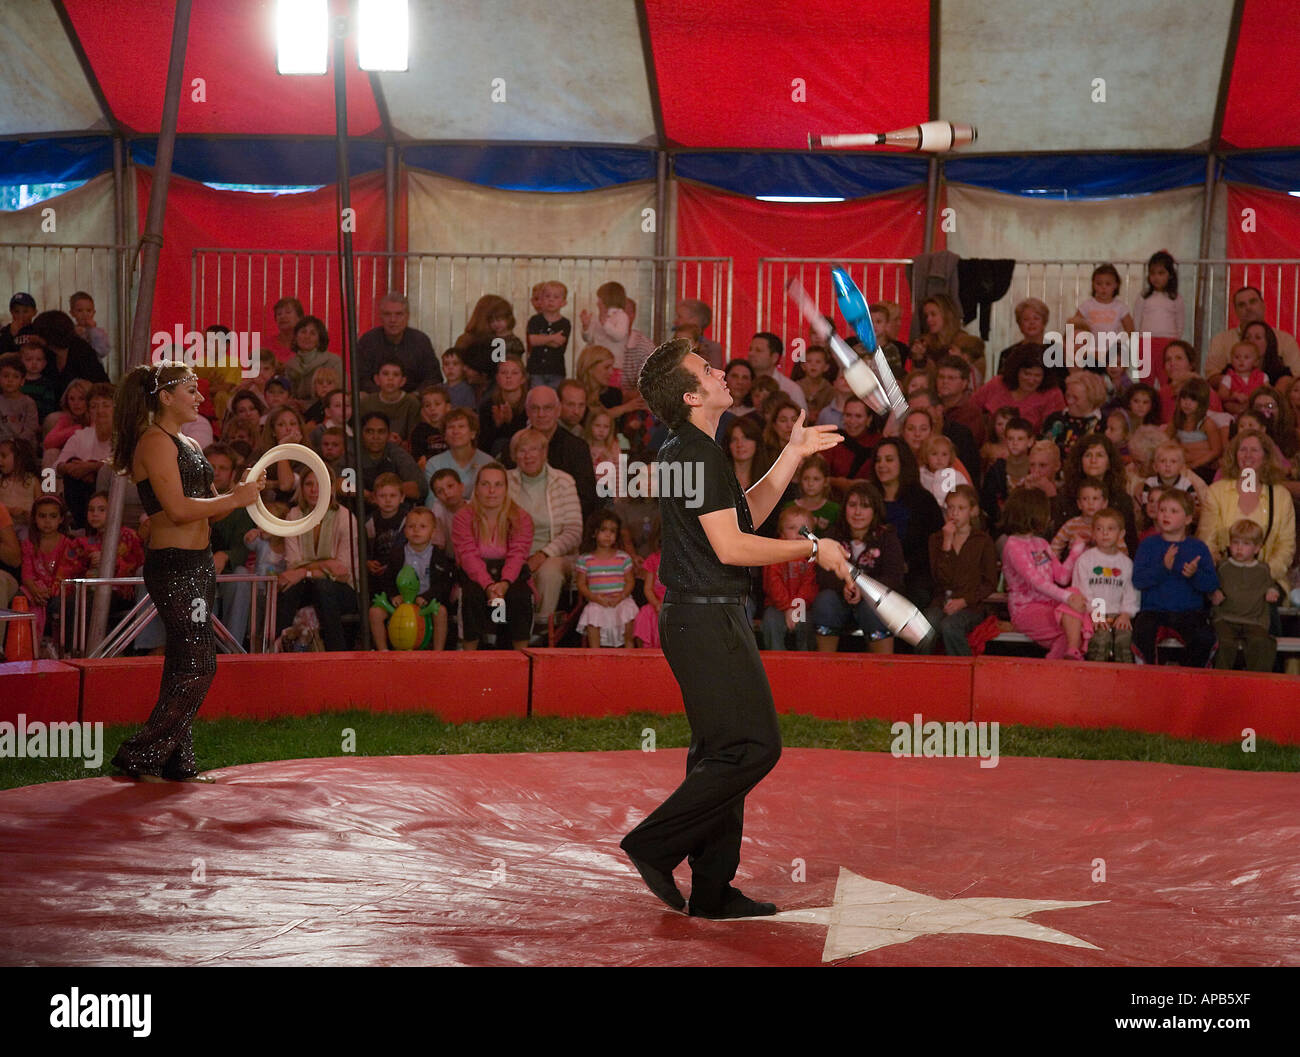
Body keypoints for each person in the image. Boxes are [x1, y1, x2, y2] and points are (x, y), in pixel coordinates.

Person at [620, 337, 852, 920]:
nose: (721, 371)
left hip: (698, 614)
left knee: (721, 752)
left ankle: (714, 889)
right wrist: (812, 547)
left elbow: (738, 515)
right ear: (694, 394)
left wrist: (792, 455)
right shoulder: (695, 454)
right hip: (705, 615)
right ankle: (653, 844)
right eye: (707, 369)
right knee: (753, 747)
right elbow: (731, 545)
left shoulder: (684, 450)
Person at [109, 361, 265, 780]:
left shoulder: (188, 444)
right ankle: (139, 755)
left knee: (183, 662)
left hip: (197, 563)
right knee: (200, 664)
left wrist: (239, 493)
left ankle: (177, 760)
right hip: (175, 565)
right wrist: (234, 498)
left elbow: (211, 509)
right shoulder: (155, 442)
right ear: (165, 397)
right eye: (192, 390)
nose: (200, 398)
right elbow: (177, 510)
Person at [1197, 429, 1296, 601]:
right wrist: (1229, 573)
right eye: (1242, 449)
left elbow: (1286, 547)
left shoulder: (1280, 495)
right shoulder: (1216, 492)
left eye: (1254, 450)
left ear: (1265, 456)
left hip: (1267, 580)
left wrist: (1259, 574)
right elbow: (1207, 542)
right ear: (1235, 455)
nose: (1247, 455)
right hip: (1225, 577)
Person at [810, 481, 906, 653]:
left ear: (875, 510)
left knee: (877, 606)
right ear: (844, 507)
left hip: (872, 600)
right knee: (825, 601)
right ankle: (825, 670)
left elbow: (894, 577)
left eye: (865, 506)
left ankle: (883, 672)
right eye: (852, 505)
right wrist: (844, 586)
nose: (857, 512)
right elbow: (822, 574)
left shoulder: (887, 537)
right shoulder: (832, 535)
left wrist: (863, 589)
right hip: (839, 599)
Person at [505, 428, 582, 643]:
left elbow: (574, 532)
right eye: (522, 450)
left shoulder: (564, 481)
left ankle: (538, 629)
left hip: (554, 554)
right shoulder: (504, 482)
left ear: (544, 452)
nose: (528, 456)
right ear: (514, 455)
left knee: (549, 571)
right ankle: (505, 629)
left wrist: (543, 554)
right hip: (514, 553)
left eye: (534, 450)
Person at [1001, 486, 1091, 660]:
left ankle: (1064, 662)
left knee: (1073, 621)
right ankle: (1057, 669)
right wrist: (1067, 598)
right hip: (1025, 609)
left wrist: (1075, 551)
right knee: (1070, 630)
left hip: (1051, 605)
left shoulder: (1041, 543)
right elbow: (1035, 582)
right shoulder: (1013, 546)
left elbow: (1062, 577)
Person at [276, 468, 360, 652]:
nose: (314, 490)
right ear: (302, 488)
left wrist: (305, 571)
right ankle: (276, 651)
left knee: (322, 586)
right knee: (289, 587)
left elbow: (342, 570)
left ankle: (336, 654)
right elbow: (293, 565)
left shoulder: (345, 517)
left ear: (330, 488)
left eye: (320, 484)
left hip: (344, 589)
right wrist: (325, 564)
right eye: (309, 484)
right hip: (306, 585)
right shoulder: (294, 515)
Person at [452, 462, 534, 650]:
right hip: (474, 575)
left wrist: (504, 583)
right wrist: (488, 585)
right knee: (471, 595)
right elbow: (467, 556)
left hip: (510, 575)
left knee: (520, 595)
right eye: (485, 484)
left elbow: (518, 554)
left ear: (506, 489)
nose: (491, 491)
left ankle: (521, 657)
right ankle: (469, 658)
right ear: (477, 488)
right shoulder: (463, 517)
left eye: (498, 485)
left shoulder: (521, 518)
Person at [1132, 489, 1218, 667]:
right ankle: (1146, 677)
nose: (1166, 515)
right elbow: (1138, 580)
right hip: (1154, 611)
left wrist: (1194, 575)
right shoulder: (1148, 544)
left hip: (1189, 612)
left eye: (1173, 511)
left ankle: (1190, 680)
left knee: (1204, 637)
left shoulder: (1198, 547)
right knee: (1142, 632)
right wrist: (1163, 568)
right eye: (1163, 510)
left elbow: (1211, 584)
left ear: (1187, 519)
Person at [919, 484, 997, 656]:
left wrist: (965, 600)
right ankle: (923, 673)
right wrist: (947, 544)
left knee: (951, 626)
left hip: (972, 605)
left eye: (961, 508)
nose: (954, 513)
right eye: (950, 508)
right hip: (942, 601)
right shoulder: (936, 539)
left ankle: (962, 671)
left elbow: (990, 582)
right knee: (924, 625)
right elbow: (940, 579)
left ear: (973, 511)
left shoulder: (983, 541)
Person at [368, 506, 454, 652]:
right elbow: (387, 580)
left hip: (425, 603)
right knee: (375, 612)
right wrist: (394, 595)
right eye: (411, 526)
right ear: (405, 531)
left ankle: (438, 653)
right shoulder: (397, 554)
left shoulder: (439, 556)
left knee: (441, 612)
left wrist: (427, 597)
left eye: (422, 526)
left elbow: (443, 584)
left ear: (433, 532)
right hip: (401, 602)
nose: (416, 530)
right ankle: (383, 652)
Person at [1070, 507, 1138, 663]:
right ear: (1093, 533)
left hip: (1118, 614)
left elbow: (1131, 593)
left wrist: (1126, 614)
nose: (1105, 533)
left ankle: (1124, 678)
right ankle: (1096, 679)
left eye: (1111, 529)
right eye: (1099, 529)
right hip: (1092, 614)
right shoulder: (1086, 560)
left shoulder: (1126, 563)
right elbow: (1083, 591)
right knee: (1101, 638)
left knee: (1124, 638)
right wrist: (1097, 614)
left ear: (1121, 534)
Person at [1210, 519, 1278, 672]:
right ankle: (1219, 682)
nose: (1239, 548)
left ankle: (1257, 683)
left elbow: (1271, 586)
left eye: (1246, 544)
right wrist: (1215, 593)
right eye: (1235, 542)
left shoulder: (1262, 569)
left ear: (1257, 548)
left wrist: (1272, 592)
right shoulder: (1223, 566)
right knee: (1224, 643)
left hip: (1254, 620)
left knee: (1261, 643)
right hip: (1226, 618)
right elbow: (1213, 587)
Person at [1206, 286, 1300, 380]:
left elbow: (1296, 376)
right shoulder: (1221, 340)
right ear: (1235, 311)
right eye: (1242, 305)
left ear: (1263, 305)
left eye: (1253, 302)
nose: (1248, 308)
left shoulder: (1286, 340)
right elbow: (1212, 375)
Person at [574, 508, 638, 648]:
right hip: (598, 601)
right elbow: (581, 584)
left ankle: (629, 658)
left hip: (620, 600)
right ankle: (595, 659)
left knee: (628, 611)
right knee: (592, 612)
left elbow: (630, 581)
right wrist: (595, 598)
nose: (608, 535)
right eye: (603, 530)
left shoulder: (623, 557)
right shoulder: (585, 559)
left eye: (613, 531)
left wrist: (621, 596)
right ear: (593, 532)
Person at [355, 292, 443, 392]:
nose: (393, 320)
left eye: (399, 314)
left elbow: (434, 378)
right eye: (387, 314)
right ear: (380, 317)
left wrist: (413, 397)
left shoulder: (421, 341)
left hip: (414, 402)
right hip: (376, 401)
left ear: (407, 316)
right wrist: (385, 397)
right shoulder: (368, 341)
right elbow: (360, 378)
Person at [759, 505, 818, 651]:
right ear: (781, 532)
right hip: (777, 606)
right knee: (770, 622)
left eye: (804, 528)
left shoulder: (812, 555)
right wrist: (787, 607)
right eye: (791, 528)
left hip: (802, 606)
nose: (798, 533)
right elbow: (773, 584)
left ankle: (806, 663)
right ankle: (776, 663)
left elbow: (809, 585)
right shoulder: (775, 552)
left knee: (806, 624)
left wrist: (795, 607)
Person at [973, 345, 1064, 434]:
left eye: (1037, 375)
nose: (1031, 380)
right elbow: (972, 408)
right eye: (1027, 374)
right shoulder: (997, 384)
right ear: (1016, 371)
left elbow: (1055, 431)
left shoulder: (1052, 394)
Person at [1132, 251, 1184, 389]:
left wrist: (1175, 341)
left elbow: (1180, 322)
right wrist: (1139, 340)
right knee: (1145, 379)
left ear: (1170, 275)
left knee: (1166, 379)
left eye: (1161, 273)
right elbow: (1136, 320)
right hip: (1146, 341)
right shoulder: (1143, 296)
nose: (1156, 277)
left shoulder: (1176, 298)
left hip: (1168, 342)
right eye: (1153, 273)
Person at [1067, 263, 1136, 365]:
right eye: (1099, 284)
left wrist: (1120, 344)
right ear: (1093, 284)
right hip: (1090, 353)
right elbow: (1074, 326)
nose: (1103, 288)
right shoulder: (1087, 305)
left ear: (1116, 285)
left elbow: (1130, 329)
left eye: (1108, 284)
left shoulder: (1120, 307)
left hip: (1112, 354)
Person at [525, 280, 572, 389]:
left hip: (556, 370)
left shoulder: (565, 323)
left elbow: (558, 343)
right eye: (547, 296)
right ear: (541, 301)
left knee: (554, 400)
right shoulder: (534, 320)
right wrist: (552, 338)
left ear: (563, 302)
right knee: (536, 397)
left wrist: (541, 339)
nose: (551, 300)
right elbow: (532, 340)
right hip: (535, 370)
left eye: (556, 297)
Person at [747, 331, 807, 410]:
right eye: (750, 349)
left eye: (758, 350)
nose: (751, 353)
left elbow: (802, 419)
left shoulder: (791, 389)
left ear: (774, 357)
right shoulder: (744, 383)